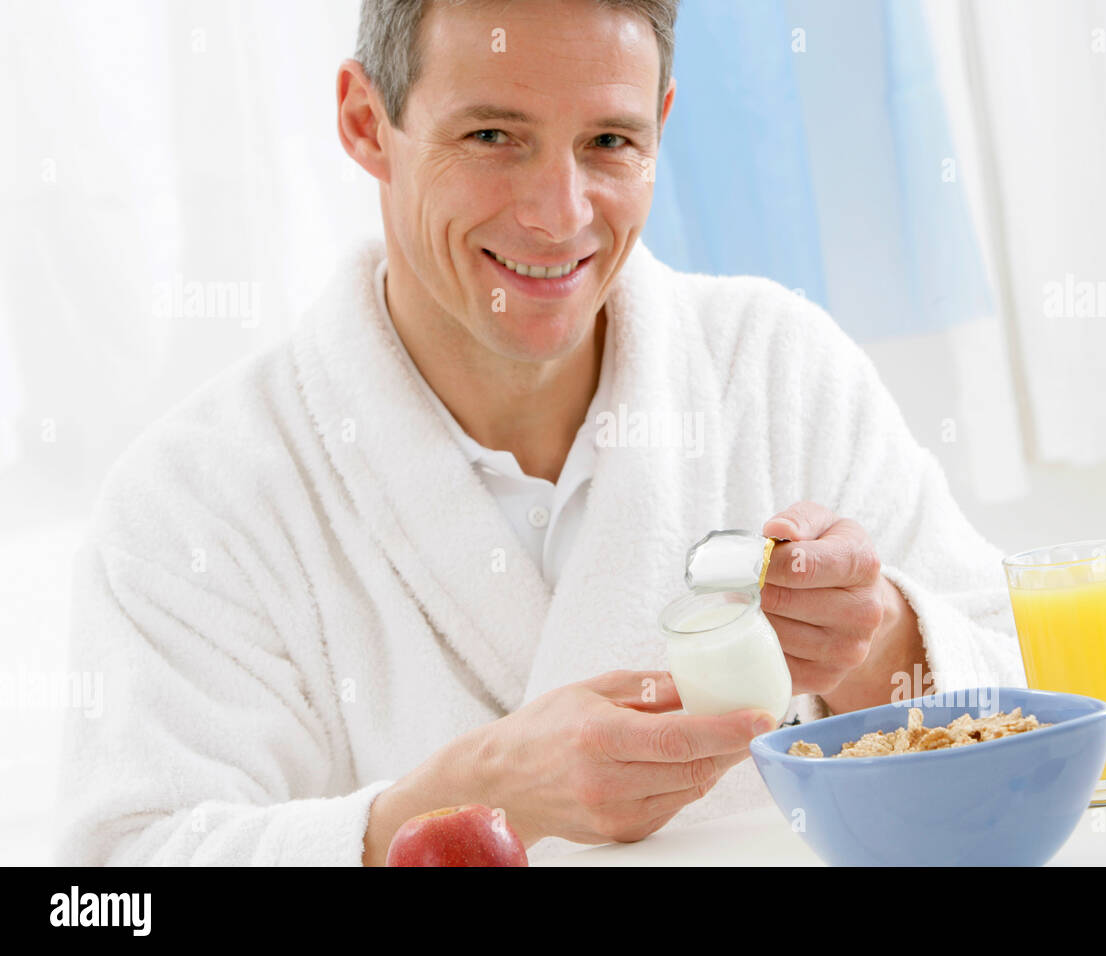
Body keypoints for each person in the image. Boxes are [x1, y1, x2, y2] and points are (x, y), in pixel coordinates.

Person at [53, 0, 1025, 866]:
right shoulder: (196, 497)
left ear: (662, 128)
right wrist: (442, 808)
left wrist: (874, 644)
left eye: (609, 141)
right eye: (490, 134)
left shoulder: (776, 368)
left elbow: (1039, 700)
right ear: (365, 122)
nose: (559, 216)